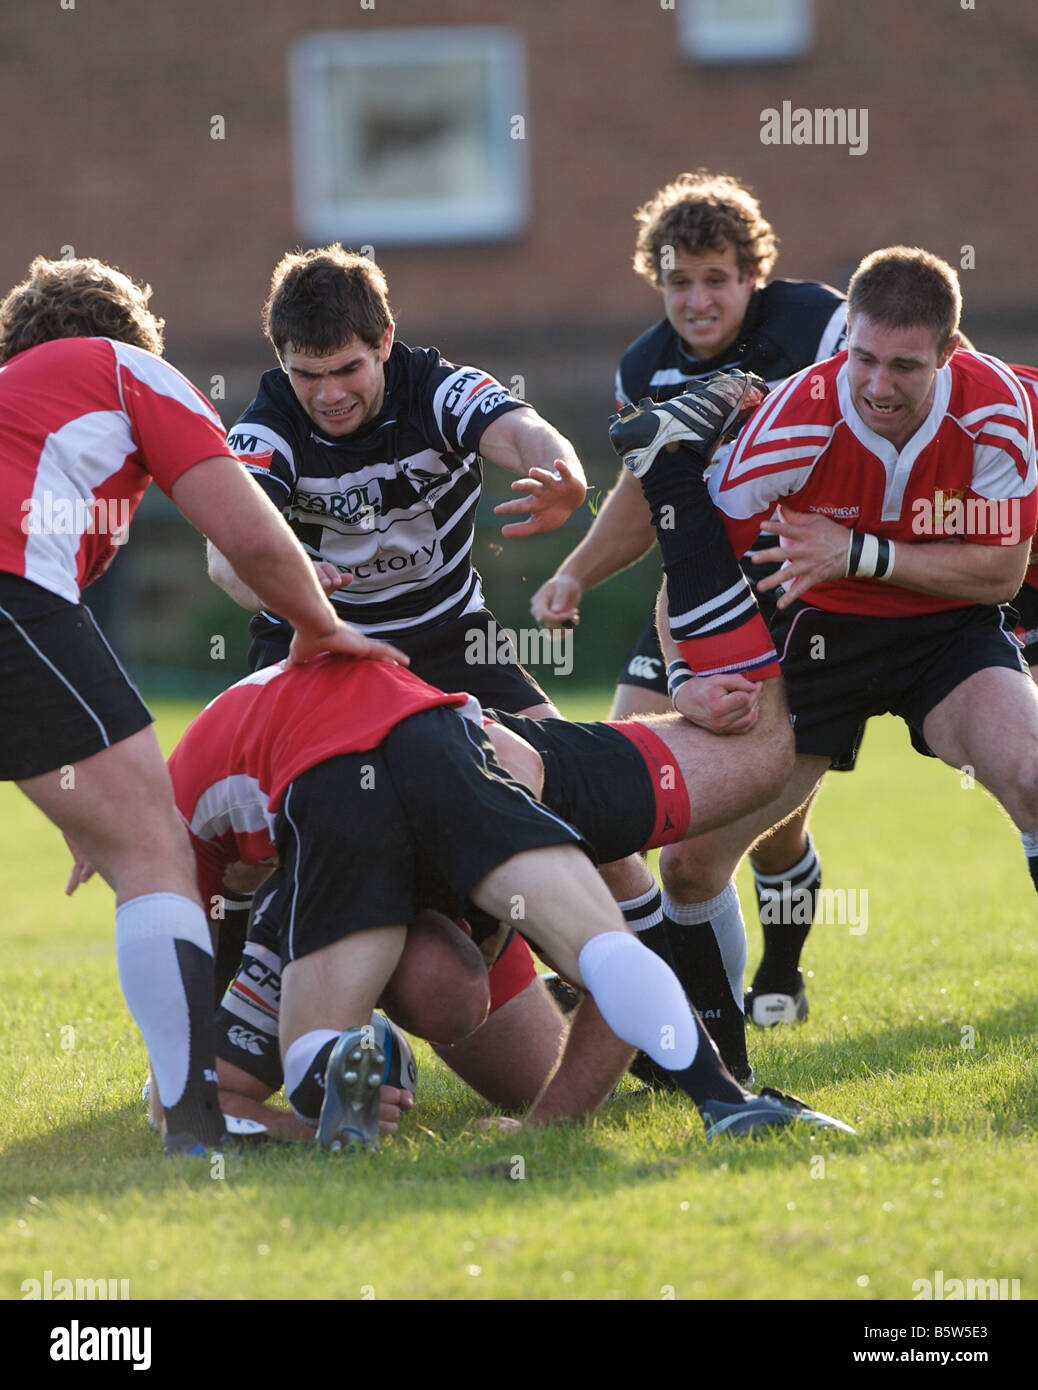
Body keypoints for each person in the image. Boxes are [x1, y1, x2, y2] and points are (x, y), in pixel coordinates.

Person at [0, 254, 407, 1157]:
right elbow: (246, 525)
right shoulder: (124, 366)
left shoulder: (27, 429)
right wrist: (320, 623)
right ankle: (194, 1123)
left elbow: (54, 659)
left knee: (133, 828)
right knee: (157, 850)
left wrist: (82, 790)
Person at [607, 248, 1038, 1005]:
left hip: (947, 635)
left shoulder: (996, 410)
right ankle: (721, 1059)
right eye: (862, 358)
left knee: (1035, 777)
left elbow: (1000, 573)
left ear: (948, 352)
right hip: (810, 639)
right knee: (691, 864)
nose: (876, 385)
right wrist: (686, 680)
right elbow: (689, 573)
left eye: (904, 366)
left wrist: (857, 554)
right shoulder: (788, 422)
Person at [530, 171, 848, 1064]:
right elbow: (641, 494)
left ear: (754, 275)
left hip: (800, 601)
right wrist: (575, 573)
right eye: (679, 282)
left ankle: (775, 974)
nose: (698, 300)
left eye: (716, 278)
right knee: (637, 808)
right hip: (695, 603)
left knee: (769, 824)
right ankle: (658, 1005)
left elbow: (918, 390)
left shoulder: (815, 325)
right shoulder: (646, 365)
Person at [208, 243, 585, 717]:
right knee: (283, 788)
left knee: (552, 763)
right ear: (282, 360)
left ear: (384, 341)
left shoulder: (435, 390)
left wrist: (562, 476)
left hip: (448, 632)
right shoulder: (265, 429)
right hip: (315, 636)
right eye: (307, 375)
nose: (330, 395)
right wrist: (293, 586)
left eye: (348, 369)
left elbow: (521, 430)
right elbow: (225, 558)